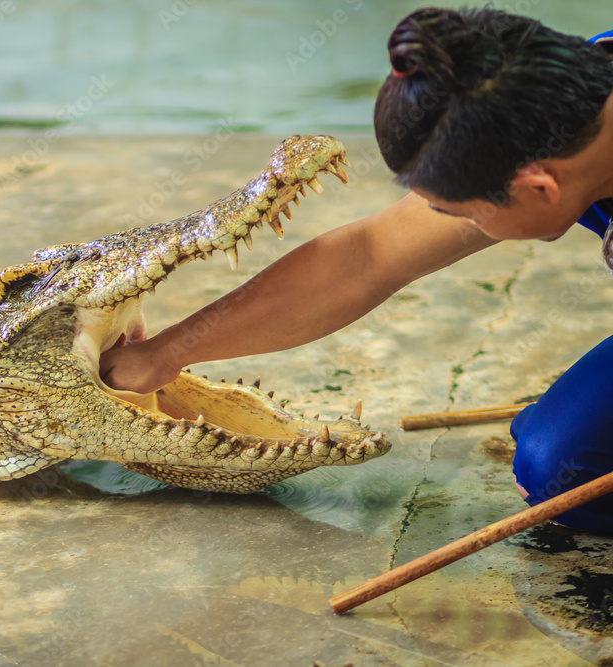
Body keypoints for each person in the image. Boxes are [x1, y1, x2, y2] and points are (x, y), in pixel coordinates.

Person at [99, 7, 613, 531]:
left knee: (564, 477)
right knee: (554, 449)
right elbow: (367, 259)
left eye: (459, 211)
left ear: (540, 188)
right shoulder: (577, 103)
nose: (447, 221)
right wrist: (164, 354)